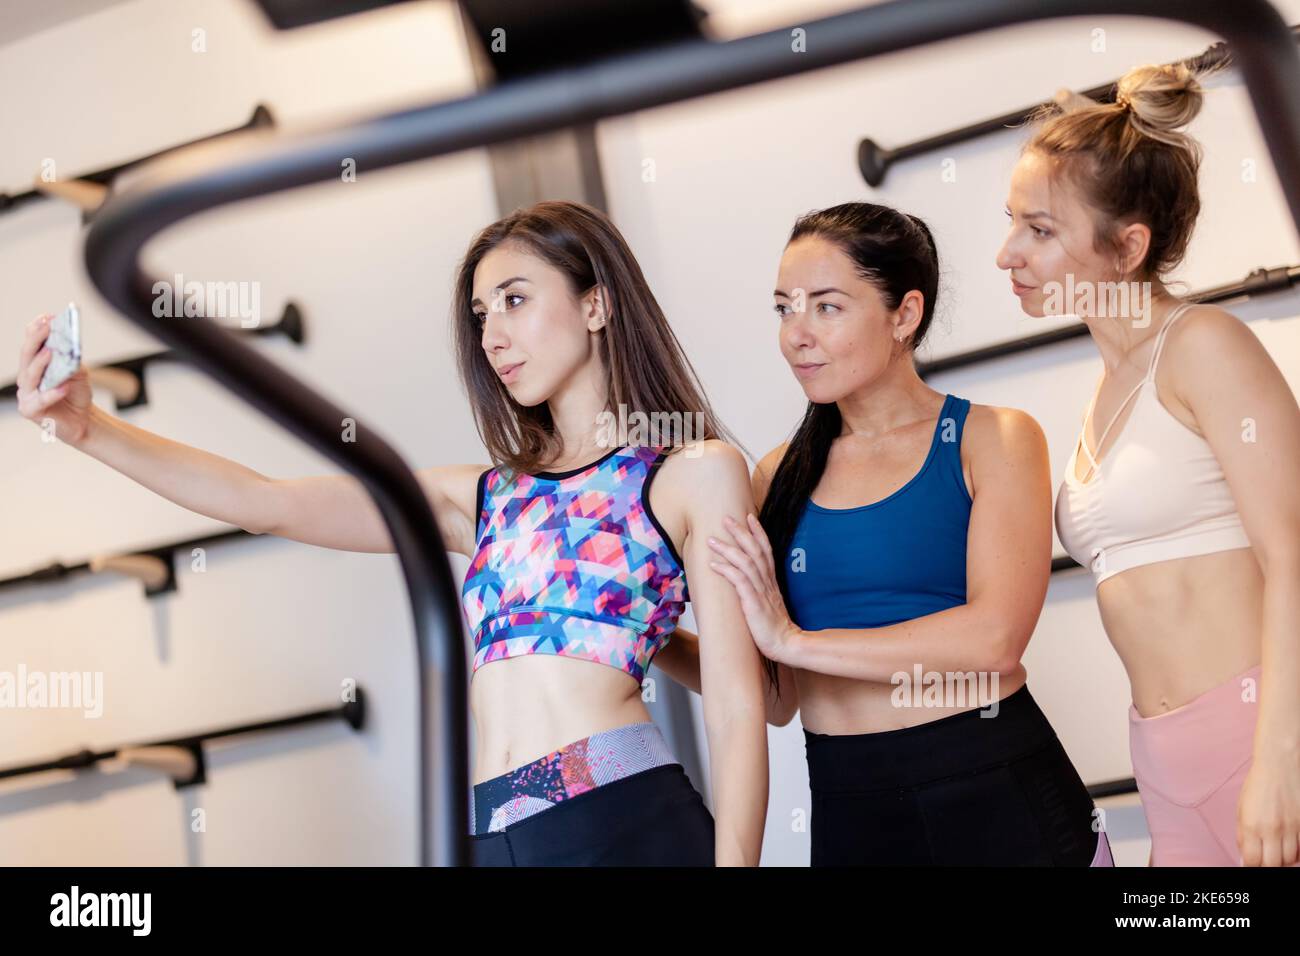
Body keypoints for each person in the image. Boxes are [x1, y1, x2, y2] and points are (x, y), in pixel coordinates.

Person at [14, 199, 769, 866]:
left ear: (597, 306)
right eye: (480, 315)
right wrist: (88, 429)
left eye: (514, 300)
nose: (492, 336)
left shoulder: (694, 472)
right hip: (491, 830)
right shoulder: (482, 497)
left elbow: (739, 709)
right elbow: (266, 502)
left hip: (620, 814)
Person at [656, 202, 1111, 865]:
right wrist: (642, 633)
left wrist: (794, 639)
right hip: (852, 815)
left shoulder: (993, 440)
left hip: (1000, 797)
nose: (797, 334)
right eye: (785, 308)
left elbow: (992, 642)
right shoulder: (775, 476)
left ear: (905, 314)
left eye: (827, 307)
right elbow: (776, 698)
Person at [997, 62, 1300, 867]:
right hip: (1167, 768)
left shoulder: (1205, 347)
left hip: (1260, 746)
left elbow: (1294, 554)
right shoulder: (1108, 388)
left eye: (1040, 229)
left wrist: (1279, 762)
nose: (1007, 254)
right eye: (1012, 223)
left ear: (1127, 246)